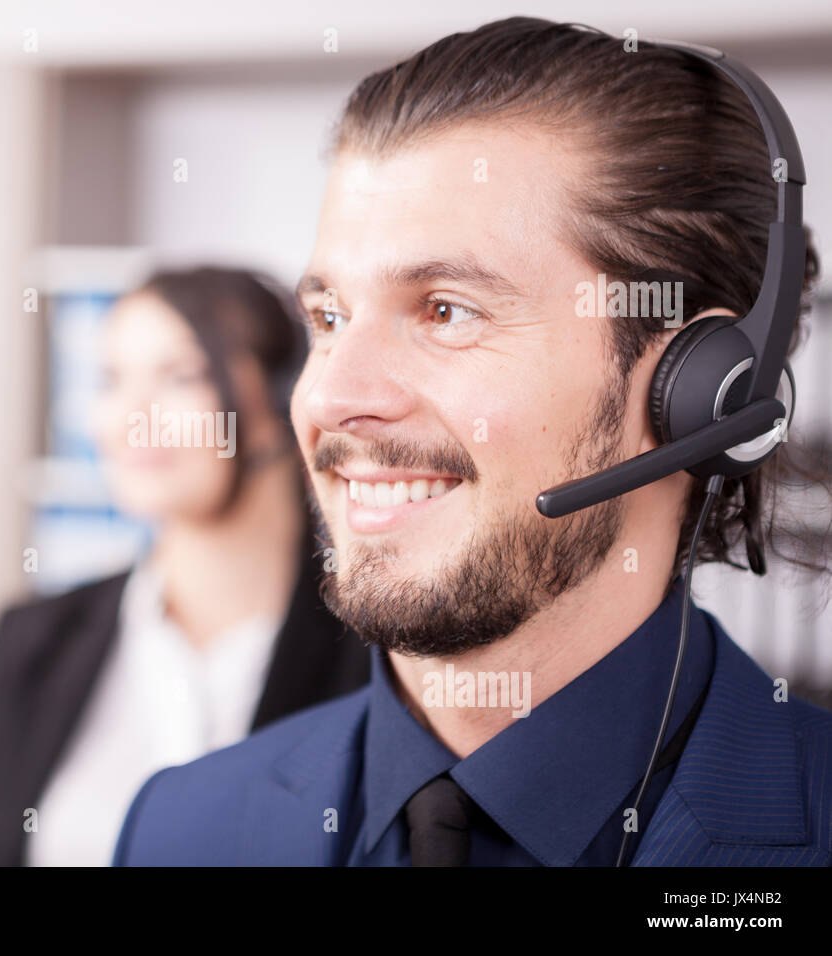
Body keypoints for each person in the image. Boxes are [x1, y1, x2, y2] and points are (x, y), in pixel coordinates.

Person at [113, 18, 832, 867]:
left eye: (447, 311)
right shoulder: (185, 824)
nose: (332, 397)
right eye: (329, 318)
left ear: (705, 396)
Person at [0, 266, 370, 866]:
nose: (130, 416)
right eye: (111, 380)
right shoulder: (33, 640)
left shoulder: (374, 647)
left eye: (180, 375)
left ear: (284, 393)